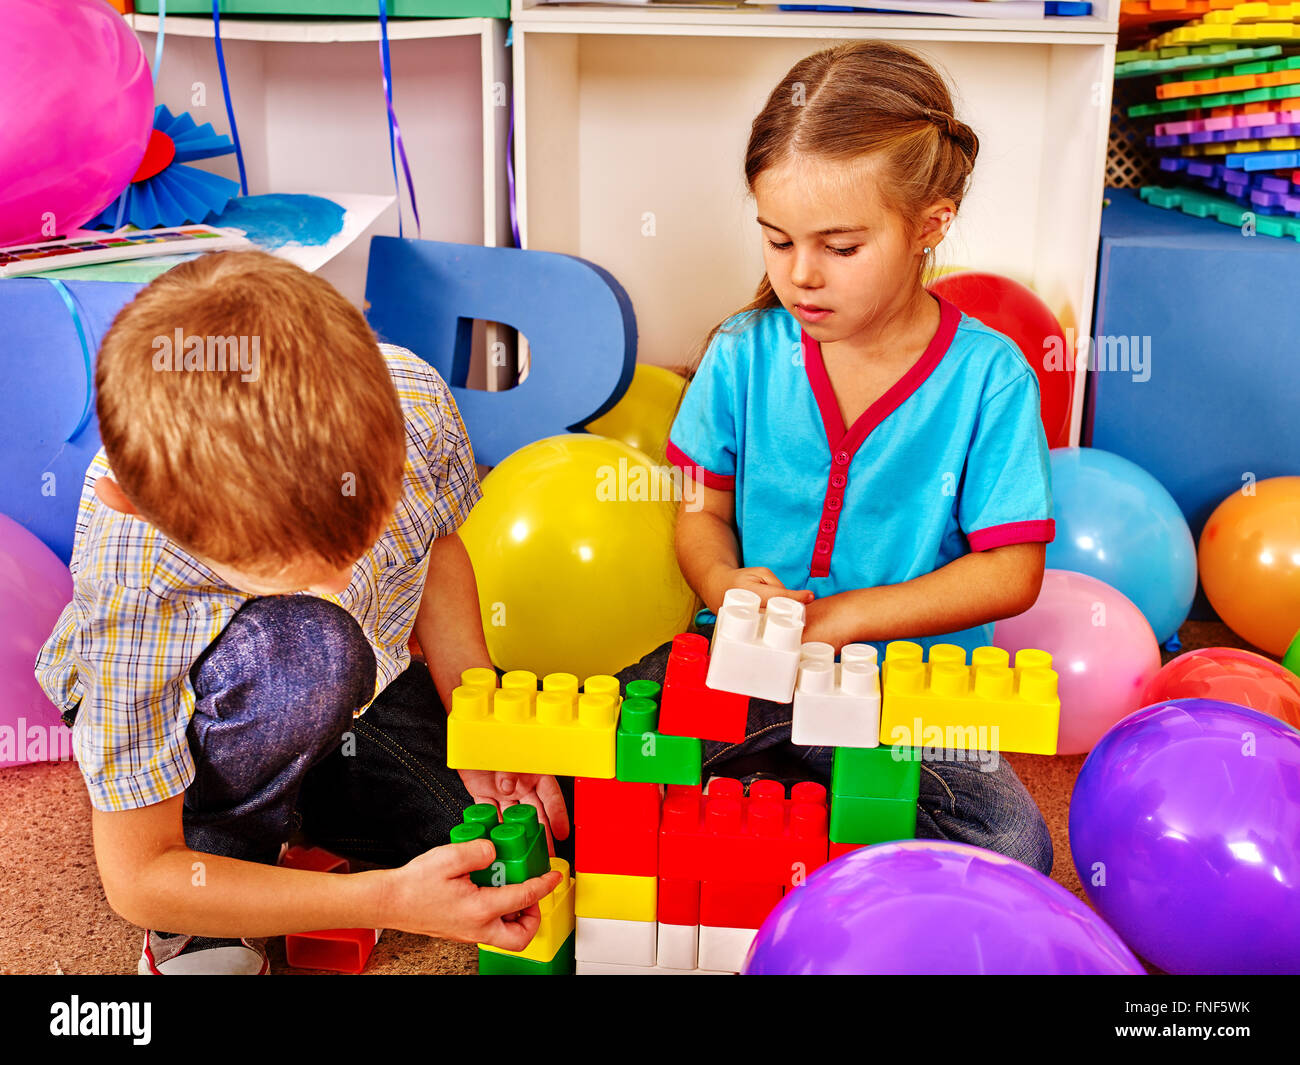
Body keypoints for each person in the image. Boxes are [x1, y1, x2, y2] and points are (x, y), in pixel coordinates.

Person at [35, 251, 564, 974]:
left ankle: (300, 811)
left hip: (359, 687)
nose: (349, 577)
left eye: (364, 533)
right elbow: (139, 877)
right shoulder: (133, 564)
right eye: (300, 566)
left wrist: (478, 714)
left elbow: (435, 550)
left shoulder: (407, 393)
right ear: (137, 501)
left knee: (501, 848)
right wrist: (384, 900)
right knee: (311, 648)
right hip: (241, 697)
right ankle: (224, 846)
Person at [615, 41, 1056, 874]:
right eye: (777, 242)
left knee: (1013, 850)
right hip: (746, 667)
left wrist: (849, 616)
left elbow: (1010, 570)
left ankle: (814, 818)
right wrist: (721, 583)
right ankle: (794, 808)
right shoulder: (742, 353)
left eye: (840, 248)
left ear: (930, 226)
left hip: (905, 697)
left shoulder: (991, 376)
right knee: (603, 773)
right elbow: (700, 511)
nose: (801, 276)